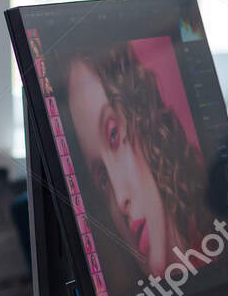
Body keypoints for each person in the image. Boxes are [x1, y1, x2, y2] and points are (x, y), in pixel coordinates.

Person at [62, 41, 210, 279]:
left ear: (141, 117)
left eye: (113, 135)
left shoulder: (221, 245)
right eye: (102, 177)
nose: (120, 199)